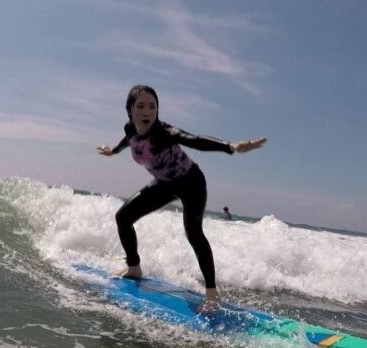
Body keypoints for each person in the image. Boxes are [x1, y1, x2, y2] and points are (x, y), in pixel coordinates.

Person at [97, 85, 266, 314]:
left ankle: (212, 293)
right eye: (141, 106)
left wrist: (230, 147)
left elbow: (194, 140)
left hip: (191, 183)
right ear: (130, 110)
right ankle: (134, 268)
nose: (147, 111)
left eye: (152, 106)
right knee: (123, 217)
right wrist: (113, 151)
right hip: (165, 184)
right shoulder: (130, 129)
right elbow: (127, 141)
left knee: (193, 232)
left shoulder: (164, 132)